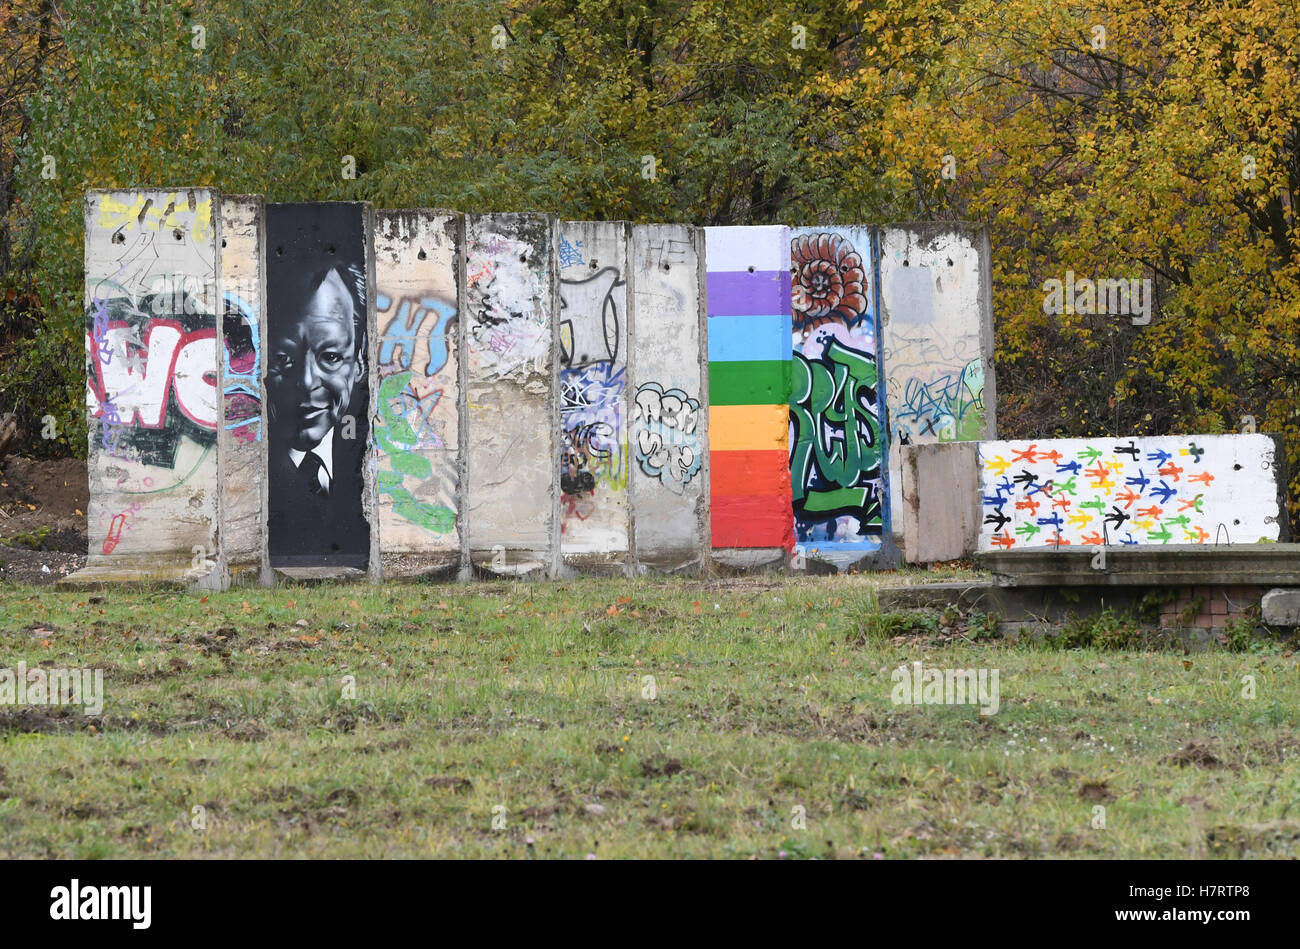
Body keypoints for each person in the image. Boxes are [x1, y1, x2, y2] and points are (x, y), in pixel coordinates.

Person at [266, 262, 370, 566]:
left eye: (331, 357)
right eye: (283, 358)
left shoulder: (368, 453)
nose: (308, 381)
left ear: (359, 361)